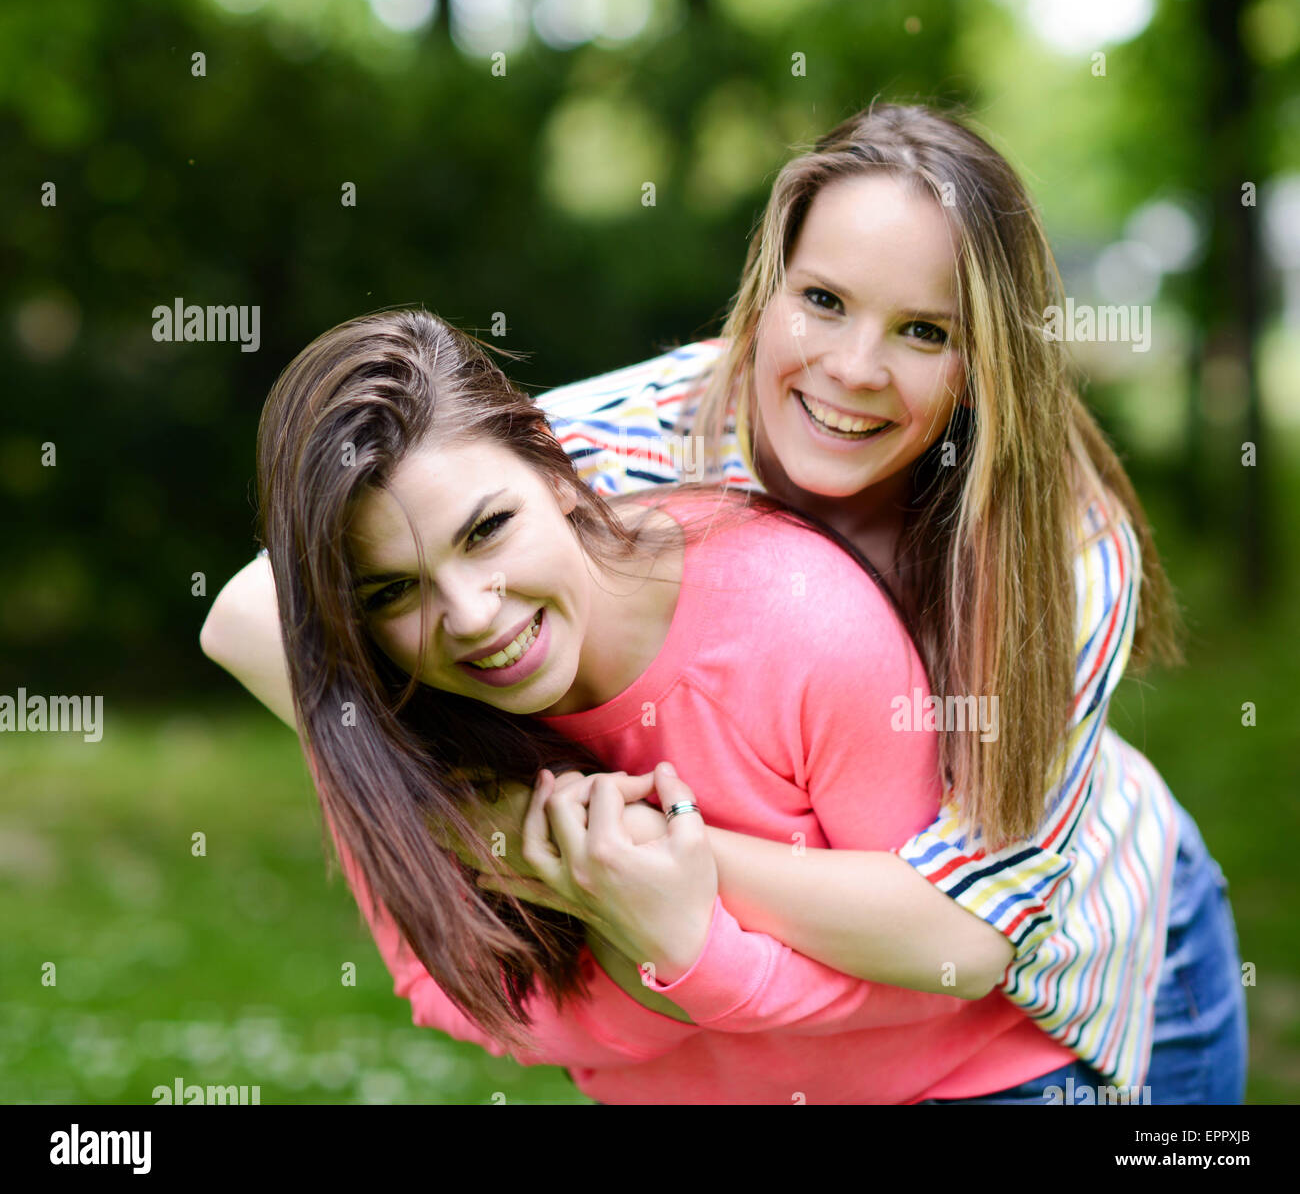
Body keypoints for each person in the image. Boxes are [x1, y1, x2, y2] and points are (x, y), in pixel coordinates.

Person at [204, 101, 1247, 1104]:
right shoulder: (643, 429)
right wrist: (454, 803)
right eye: (823, 300)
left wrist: (595, 843)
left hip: (1087, 975)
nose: (850, 369)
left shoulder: (1060, 552)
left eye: (924, 332)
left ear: (987, 364)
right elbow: (254, 607)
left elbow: (967, 932)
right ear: (767, 289)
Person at [204, 305, 1088, 1105]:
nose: (473, 615)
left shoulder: (797, 620)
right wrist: (636, 959)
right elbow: (444, 985)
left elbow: (945, 964)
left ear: (556, 469)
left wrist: (670, 907)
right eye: (395, 590)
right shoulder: (396, 718)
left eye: (487, 530)